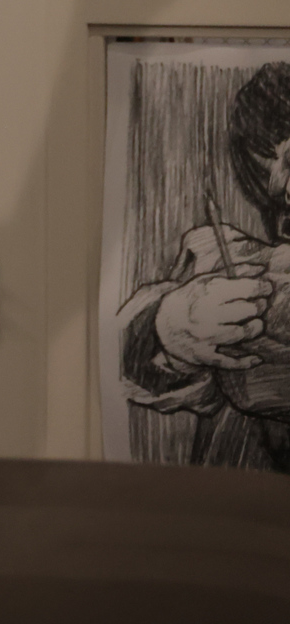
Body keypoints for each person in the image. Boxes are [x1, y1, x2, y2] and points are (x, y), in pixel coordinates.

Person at [116, 62, 290, 470]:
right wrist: (167, 325)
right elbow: (120, 358)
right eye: (272, 182)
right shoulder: (243, 268)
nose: (285, 191)